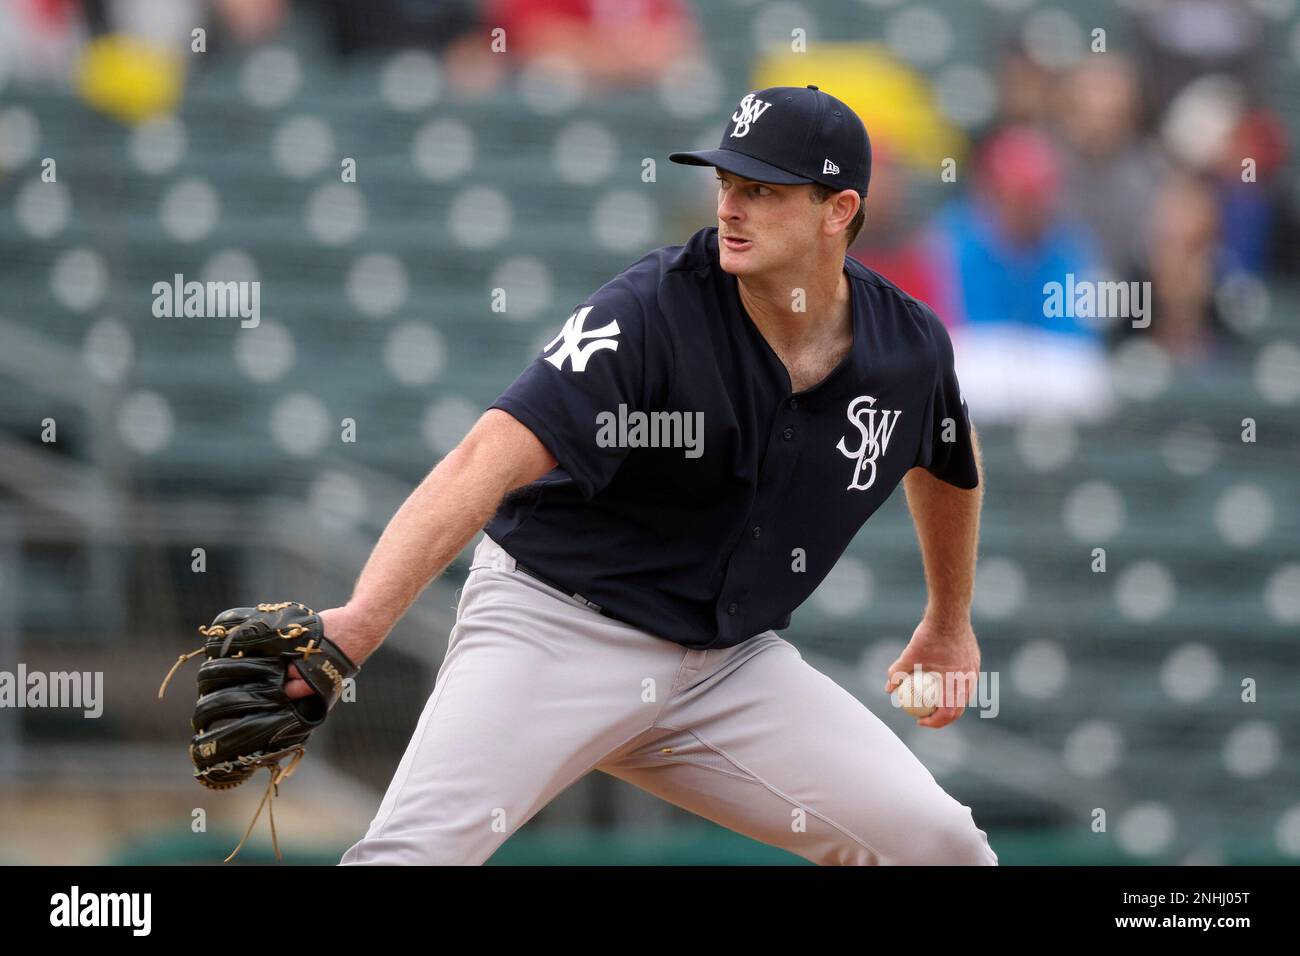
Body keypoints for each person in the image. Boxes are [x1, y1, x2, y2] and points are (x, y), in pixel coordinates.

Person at [303, 85, 997, 865]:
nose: (730, 207)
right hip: (558, 626)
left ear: (838, 210)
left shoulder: (907, 345)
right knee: (410, 858)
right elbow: (484, 457)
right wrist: (360, 625)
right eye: (726, 182)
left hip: (728, 666)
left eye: (761, 190)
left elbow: (947, 456)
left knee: (944, 849)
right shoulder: (651, 311)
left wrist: (948, 619)